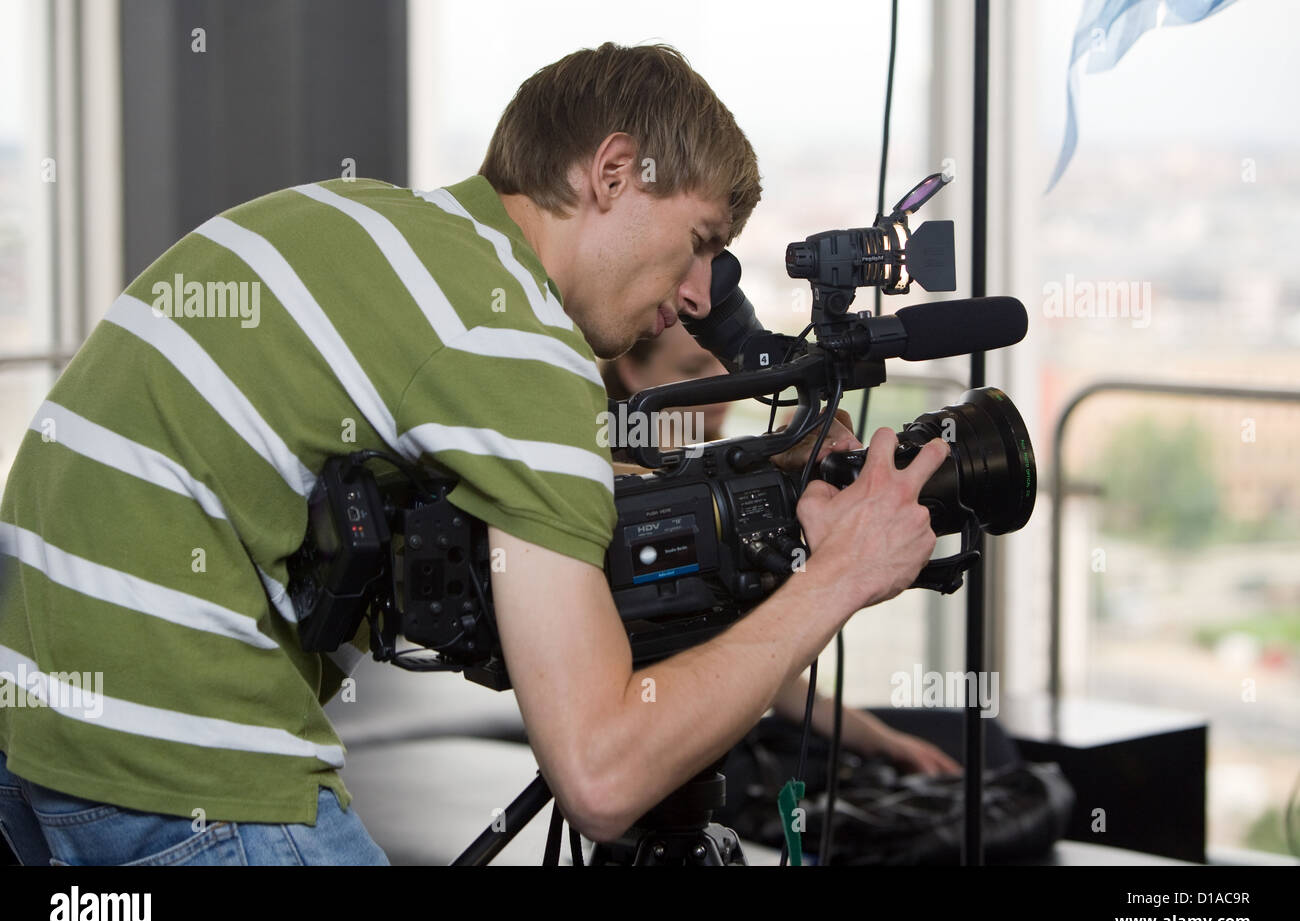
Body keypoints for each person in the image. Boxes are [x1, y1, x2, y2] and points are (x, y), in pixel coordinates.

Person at [0, 42, 949, 865]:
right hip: (185, 770)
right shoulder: (517, 348)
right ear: (614, 172)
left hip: (43, 742)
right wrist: (842, 574)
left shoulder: (389, 238)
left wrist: (757, 462)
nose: (702, 295)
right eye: (699, 242)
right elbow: (601, 775)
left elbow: (521, 472)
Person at [601, 323, 961, 777]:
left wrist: (888, 745)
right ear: (632, 370)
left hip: (735, 736)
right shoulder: (599, 490)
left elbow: (771, 673)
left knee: (975, 742)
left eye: (722, 365)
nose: (717, 384)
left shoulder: (751, 472)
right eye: (693, 369)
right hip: (658, 756)